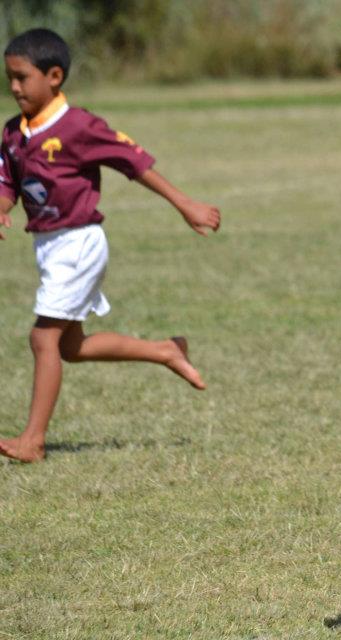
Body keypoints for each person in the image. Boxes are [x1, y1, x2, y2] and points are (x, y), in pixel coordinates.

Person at [0, 29, 221, 462]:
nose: (14, 87)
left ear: (55, 76)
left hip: (78, 244)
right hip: (48, 246)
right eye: (9, 78)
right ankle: (165, 350)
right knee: (69, 347)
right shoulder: (14, 132)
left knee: (42, 339)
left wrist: (185, 203)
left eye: (22, 77)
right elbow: (8, 179)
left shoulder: (79, 126)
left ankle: (33, 441)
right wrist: (3, 207)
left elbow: (133, 163)